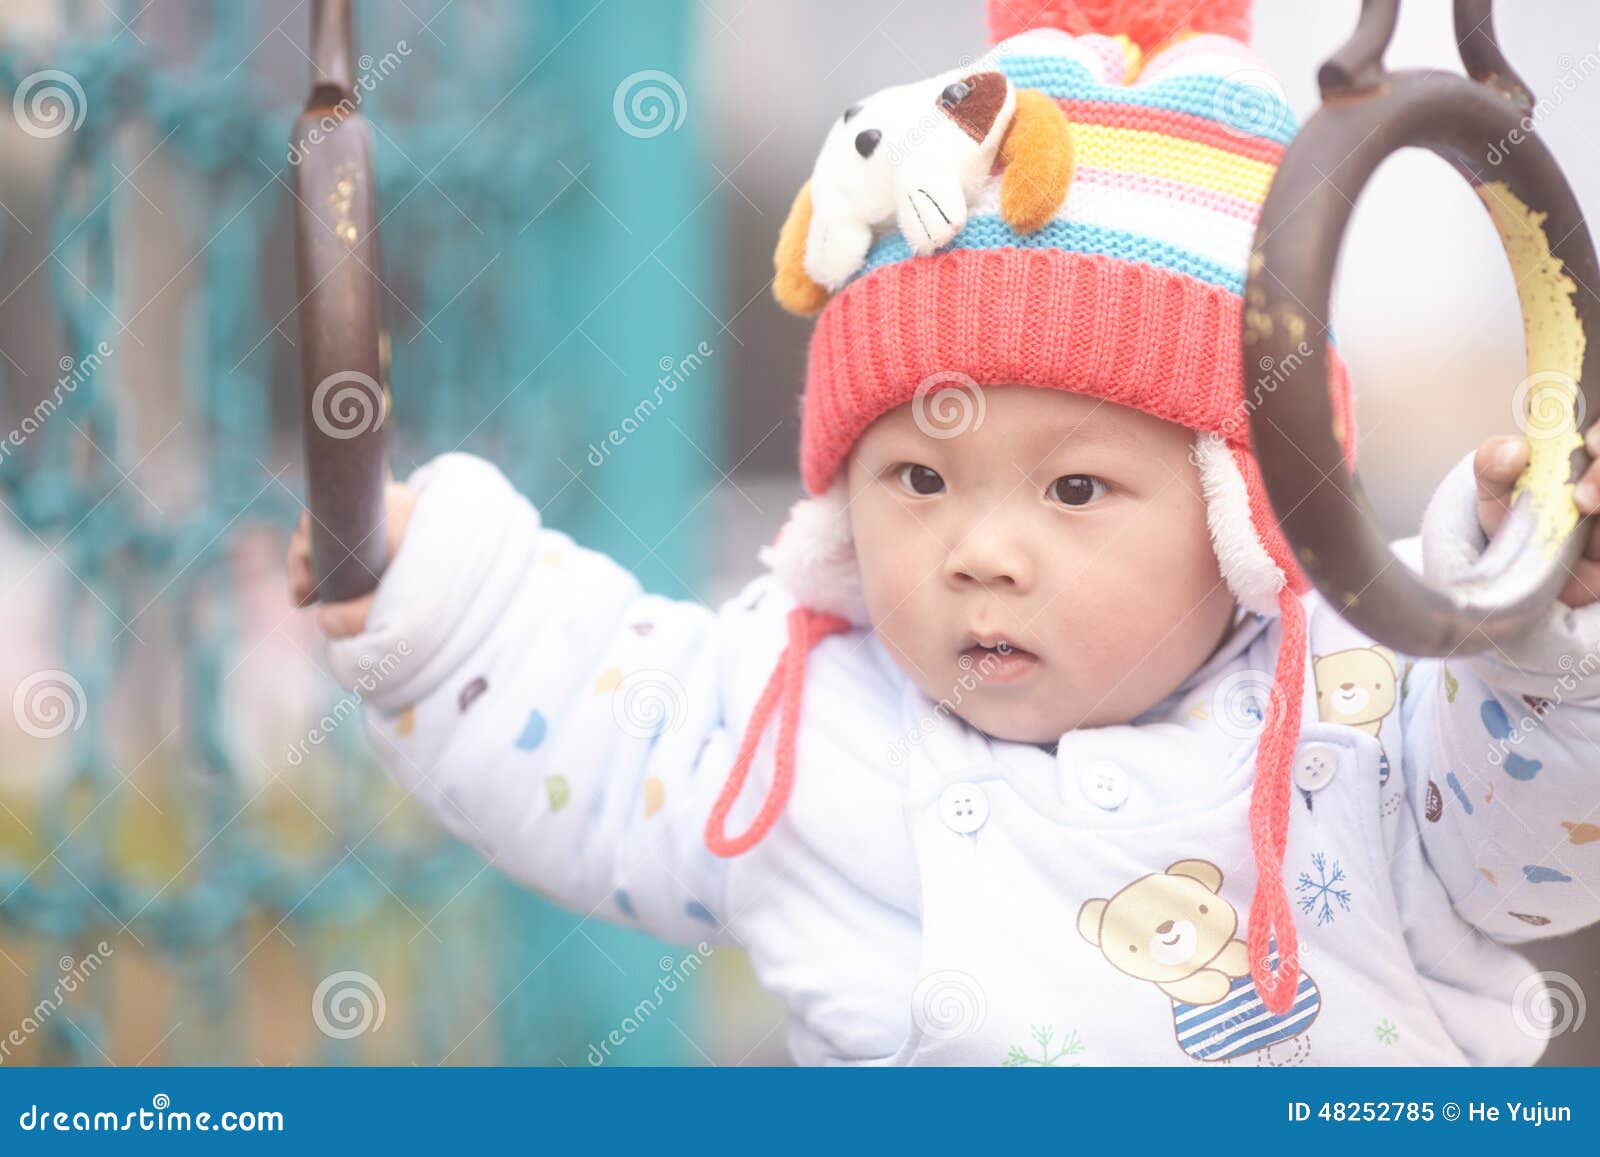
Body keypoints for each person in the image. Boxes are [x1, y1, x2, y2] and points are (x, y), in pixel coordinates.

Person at [287, 0, 1600, 1065]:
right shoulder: (809, 722)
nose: (980, 549)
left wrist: (1549, 621)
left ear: (1239, 511)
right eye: (917, 477)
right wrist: (430, 589)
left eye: (1075, 490)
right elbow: (589, 710)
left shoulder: (1371, 711)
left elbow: (1534, 830)